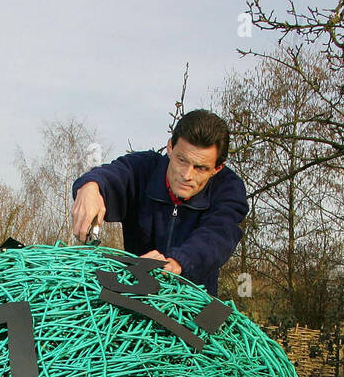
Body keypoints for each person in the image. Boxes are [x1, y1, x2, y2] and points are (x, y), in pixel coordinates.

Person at [71, 109, 248, 296]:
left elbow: (219, 234)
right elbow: (112, 175)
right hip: (135, 298)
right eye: (182, 160)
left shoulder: (228, 188)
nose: (187, 175)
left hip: (193, 307)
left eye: (200, 168)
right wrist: (91, 187)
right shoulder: (144, 168)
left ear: (217, 168)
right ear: (170, 147)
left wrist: (176, 262)